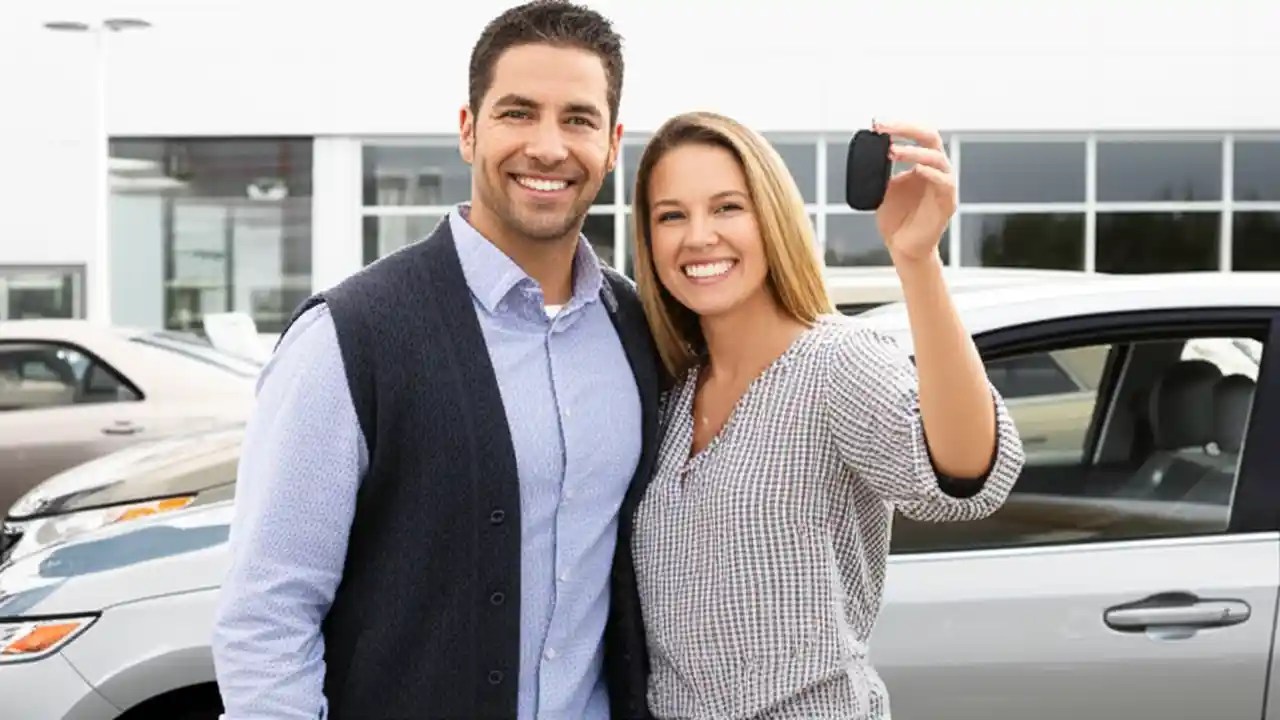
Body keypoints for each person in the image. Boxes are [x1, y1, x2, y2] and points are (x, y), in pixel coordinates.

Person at [210, 2, 661, 719]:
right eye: (518, 113)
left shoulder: (637, 327)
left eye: (576, 119)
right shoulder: (349, 337)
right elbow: (268, 616)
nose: (548, 147)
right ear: (467, 129)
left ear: (611, 144)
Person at [627, 111, 1027, 719]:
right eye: (672, 215)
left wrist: (916, 261)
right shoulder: (670, 391)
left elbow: (964, 477)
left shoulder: (838, 361)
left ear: (772, 218)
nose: (699, 235)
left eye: (728, 207)